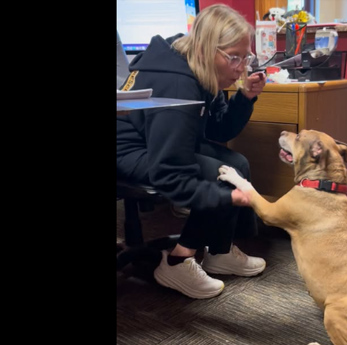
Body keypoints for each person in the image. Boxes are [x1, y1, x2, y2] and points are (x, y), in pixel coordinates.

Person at [116, 4, 267, 299]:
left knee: (237, 164)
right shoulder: (178, 84)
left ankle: (220, 252)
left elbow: (219, 130)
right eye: (234, 57)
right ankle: (177, 261)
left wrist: (245, 97)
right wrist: (229, 197)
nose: (241, 67)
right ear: (205, 49)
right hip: (128, 149)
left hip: (156, 140)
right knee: (220, 178)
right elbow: (170, 173)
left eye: (245, 57)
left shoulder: (202, 68)